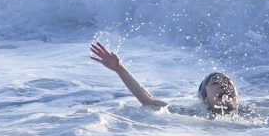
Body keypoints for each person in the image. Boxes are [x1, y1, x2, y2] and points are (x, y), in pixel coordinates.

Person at [89, 41, 238, 114]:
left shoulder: (251, 112)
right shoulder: (192, 114)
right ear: (204, 99)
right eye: (215, 82)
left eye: (228, 81)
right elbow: (148, 100)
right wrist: (119, 69)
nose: (224, 85)